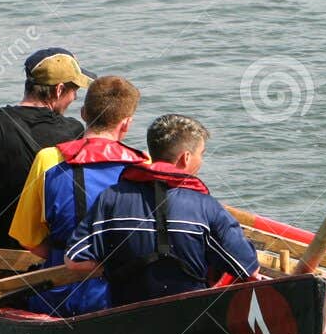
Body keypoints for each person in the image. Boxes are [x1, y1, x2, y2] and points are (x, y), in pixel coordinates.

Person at [65, 114, 260, 307]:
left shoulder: (111, 198)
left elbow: (74, 260)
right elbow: (247, 268)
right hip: (190, 318)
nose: (201, 161)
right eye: (202, 153)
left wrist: (114, 265)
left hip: (125, 320)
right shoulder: (206, 206)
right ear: (186, 157)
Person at [9, 76, 147, 315]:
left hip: (61, 295)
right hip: (125, 294)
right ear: (126, 124)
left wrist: (61, 256)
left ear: (83, 113)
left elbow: (27, 239)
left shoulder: (48, 158)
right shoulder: (144, 164)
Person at [0, 48, 90, 251]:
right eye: (74, 91)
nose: (74, 98)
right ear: (58, 90)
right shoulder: (74, 130)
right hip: (46, 249)